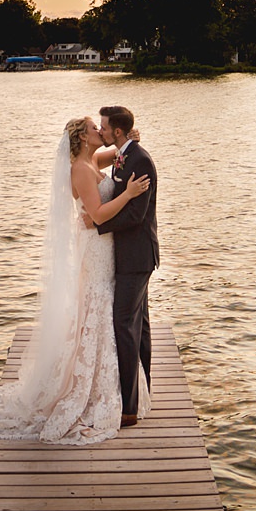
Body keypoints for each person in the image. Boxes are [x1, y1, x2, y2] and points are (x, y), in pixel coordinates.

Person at [0, 115, 150, 444]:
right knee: (98, 302)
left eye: (101, 127)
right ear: (83, 137)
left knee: (101, 304)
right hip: (96, 246)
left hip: (103, 245)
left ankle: (111, 379)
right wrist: (129, 194)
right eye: (94, 128)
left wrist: (127, 138)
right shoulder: (80, 169)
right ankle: (89, 386)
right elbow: (97, 215)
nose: (99, 131)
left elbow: (115, 154)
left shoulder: (91, 160)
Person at [95, 104, 158, 427]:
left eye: (104, 127)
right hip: (128, 255)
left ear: (117, 131)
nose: (101, 130)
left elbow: (136, 215)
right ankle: (142, 389)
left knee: (124, 325)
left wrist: (98, 225)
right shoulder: (124, 155)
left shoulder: (139, 160)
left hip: (136, 257)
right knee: (139, 326)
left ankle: (129, 409)